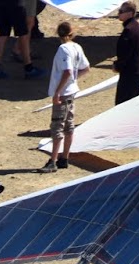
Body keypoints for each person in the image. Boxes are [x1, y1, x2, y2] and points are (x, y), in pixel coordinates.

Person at [41, 22, 89, 173]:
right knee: (69, 125)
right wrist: (73, 80)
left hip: (63, 93)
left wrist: (58, 91)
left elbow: (67, 71)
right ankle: (64, 158)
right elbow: (85, 68)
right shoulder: (77, 47)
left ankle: (53, 161)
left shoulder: (63, 49)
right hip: (72, 91)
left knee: (57, 126)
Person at [0, 0, 38, 81]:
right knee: (23, 35)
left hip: (1, 4)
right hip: (16, 5)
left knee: (2, 35)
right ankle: (29, 68)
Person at [114, 2, 139, 105]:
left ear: (130, 13)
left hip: (130, 74)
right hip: (136, 72)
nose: (118, 13)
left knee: (123, 105)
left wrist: (117, 66)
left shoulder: (129, 31)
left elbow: (126, 53)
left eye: (121, 11)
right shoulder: (137, 27)